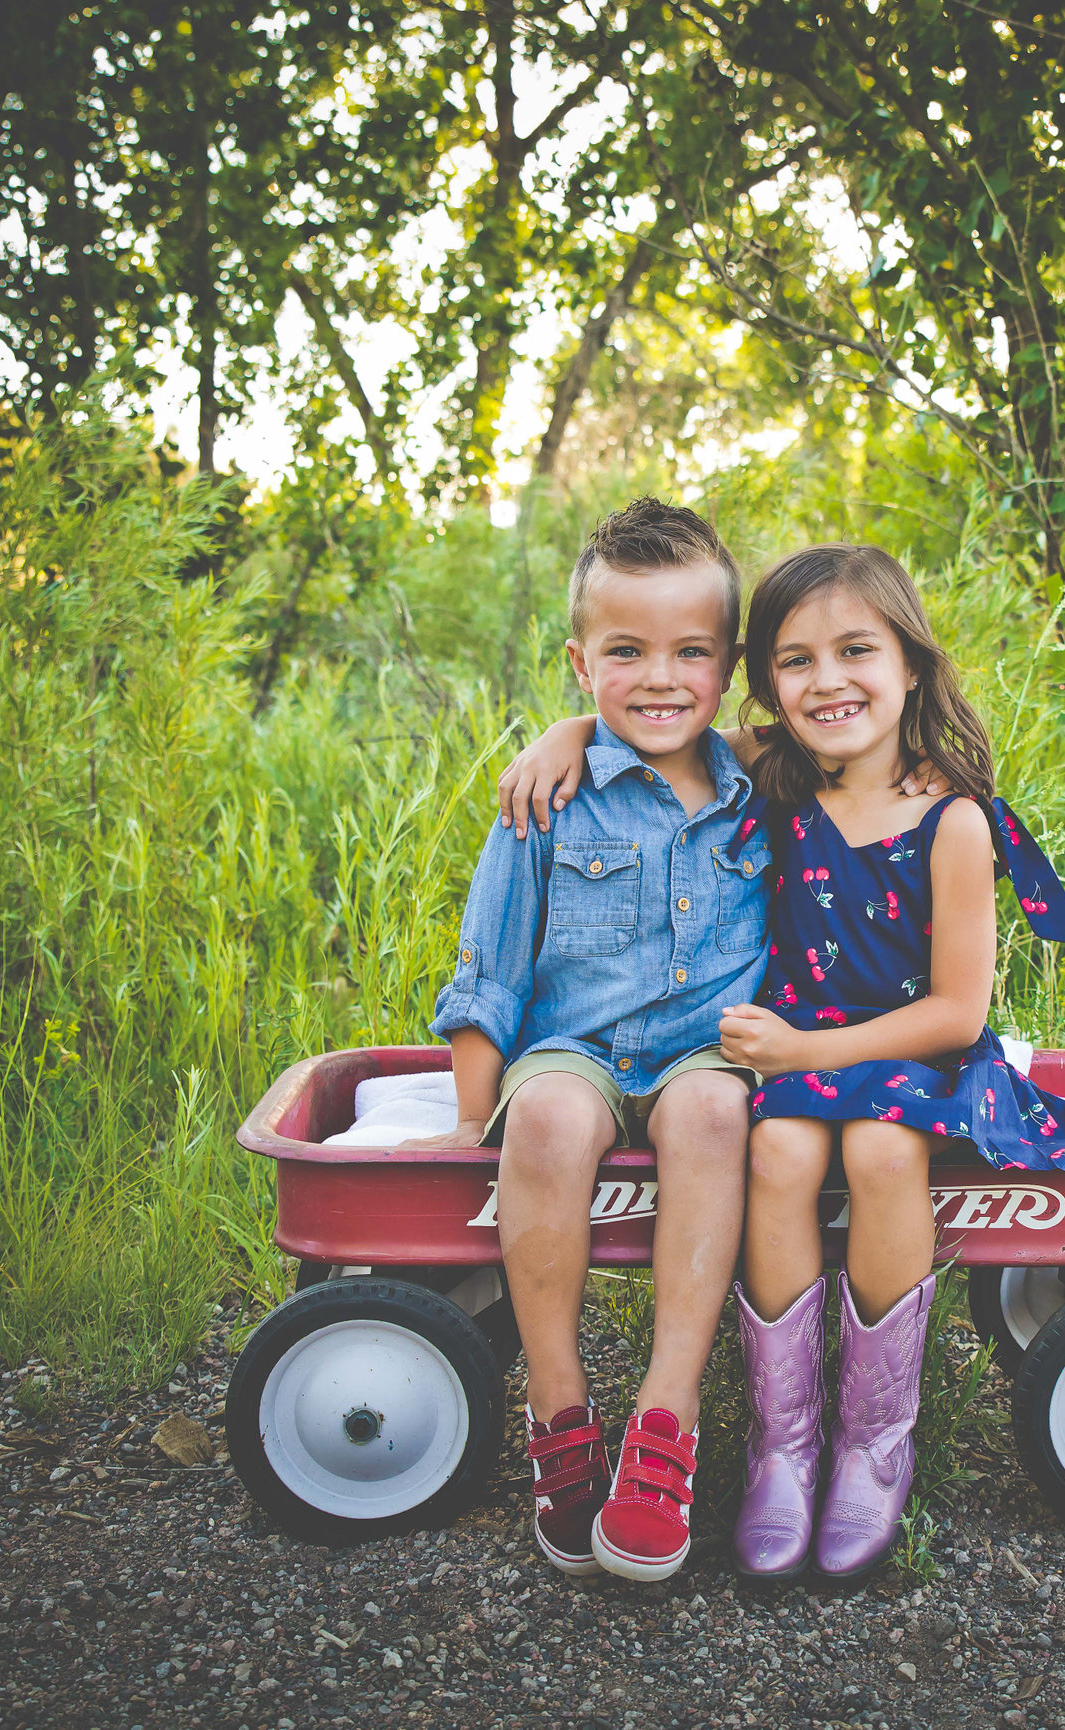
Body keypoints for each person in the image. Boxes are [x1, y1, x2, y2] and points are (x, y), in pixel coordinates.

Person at [497, 542, 1065, 1579]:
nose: (828, 681)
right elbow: (656, 725)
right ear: (766, 688)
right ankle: (782, 1444)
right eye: (796, 661)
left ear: (911, 662)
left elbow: (959, 1013)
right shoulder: (774, 780)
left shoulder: (954, 821)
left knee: (878, 1154)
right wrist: (566, 727)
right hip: (796, 1057)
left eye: (856, 650)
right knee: (776, 1149)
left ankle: (874, 1445)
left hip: (907, 1054)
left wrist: (806, 1046)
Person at [423, 498, 766, 1582]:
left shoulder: (769, 791)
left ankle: (668, 1414)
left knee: (717, 1107)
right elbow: (490, 971)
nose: (659, 677)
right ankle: (560, 1405)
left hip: (704, 1053)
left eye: (690, 652)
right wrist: (472, 1118)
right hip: (574, 1045)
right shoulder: (548, 798)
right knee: (555, 1113)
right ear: (580, 662)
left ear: (730, 665)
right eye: (626, 651)